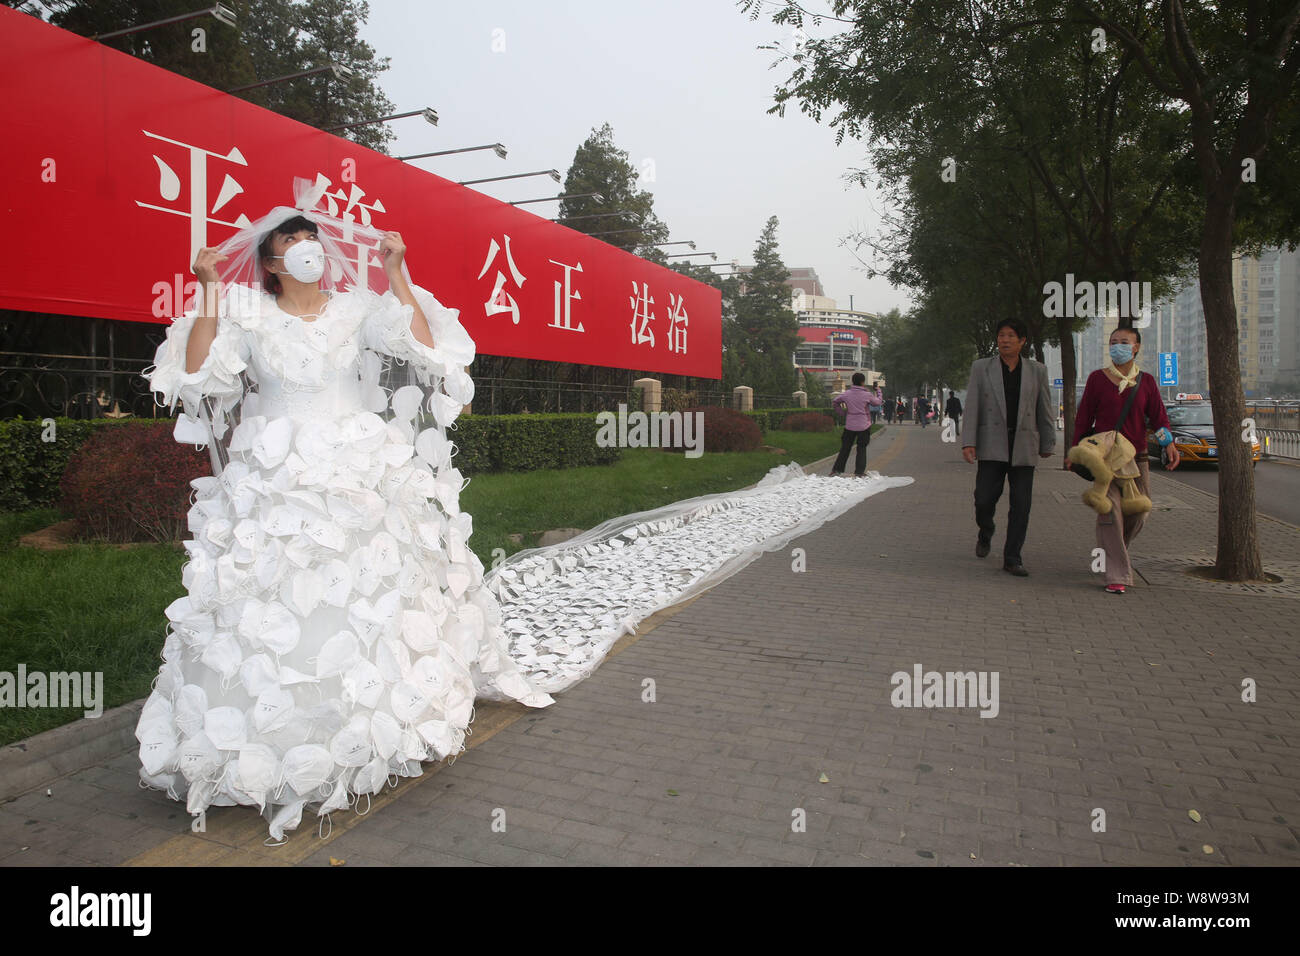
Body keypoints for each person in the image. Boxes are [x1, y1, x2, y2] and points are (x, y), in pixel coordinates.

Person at [135, 185, 555, 840]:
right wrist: (210, 286)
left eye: (311, 240)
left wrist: (397, 273)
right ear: (270, 263)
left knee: (364, 593)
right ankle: (260, 742)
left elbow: (422, 347)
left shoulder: (355, 309)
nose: (306, 249)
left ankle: (369, 726)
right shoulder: (248, 312)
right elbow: (196, 375)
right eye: (290, 243)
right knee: (267, 598)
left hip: (355, 466)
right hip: (273, 473)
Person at [1071, 326, 1180, 594]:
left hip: (1137, 459)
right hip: (1105, 459)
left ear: (1136, 347)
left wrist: (1170, 444)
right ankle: (1116, 574)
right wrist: (1074, 451)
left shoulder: (1147, 382)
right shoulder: (1097, 379)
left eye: (1124, 342)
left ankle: (1113, 551)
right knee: (1111, 512)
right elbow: (1084, 417)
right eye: (1113, 342)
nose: (1117, 346)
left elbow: (1159, 418)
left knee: (1139, 512)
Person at [960, 318, 1056, 576]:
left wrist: (1048, 442)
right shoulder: (982, 367)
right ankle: (986, 529)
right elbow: (972, 407)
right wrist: (968, 442)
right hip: (992, 444)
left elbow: (1044, 408)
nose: (1005, 339)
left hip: (1024, 445)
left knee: (1021, 505)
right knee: (983, 499)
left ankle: (1012, 557)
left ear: (1023, 341)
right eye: (1001, 335)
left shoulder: (1037, 371)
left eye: (1011, 335)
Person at [830, 372, 883, 476]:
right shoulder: (867, 394)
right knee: (861, 448)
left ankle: (837, 470)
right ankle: (859, 472)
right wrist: (879, 391)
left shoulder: (846, 393)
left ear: (853, 382)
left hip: (850, 424)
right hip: (864, 425)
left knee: (845, 448)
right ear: (863, 382)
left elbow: (835, 402)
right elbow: (877, 402)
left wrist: (842, 412)